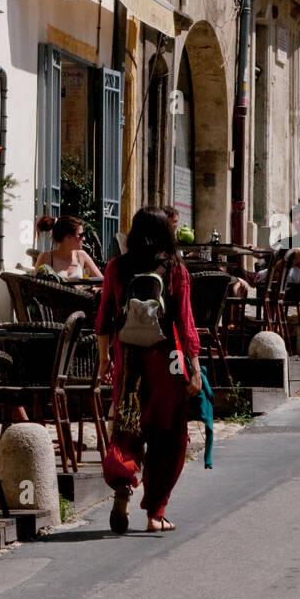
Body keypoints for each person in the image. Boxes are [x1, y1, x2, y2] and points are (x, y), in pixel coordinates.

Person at [96, 206, 203, 534]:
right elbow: (185, 324)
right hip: (167, 360)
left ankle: (123, 482)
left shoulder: (116, 267)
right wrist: (194, 368)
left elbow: (103, 320)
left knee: (127, 425)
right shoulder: (174, 269)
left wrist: (104, 361)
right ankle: (155, 514)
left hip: (128, 359)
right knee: (168, 436)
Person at [34, 214, 103, 281]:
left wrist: (92, 289)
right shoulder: (46, 258)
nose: (84, 238)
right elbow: (35, 287)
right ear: (68, 236)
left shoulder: (82, 256)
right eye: (81, 235)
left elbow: (102, 282)